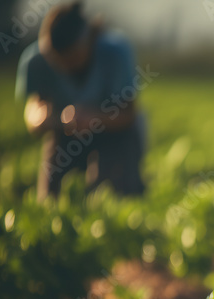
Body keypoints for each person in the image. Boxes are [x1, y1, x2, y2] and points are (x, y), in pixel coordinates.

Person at [16, 1, 147, 200]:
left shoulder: (115, 52)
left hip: (114, 133)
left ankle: (123, 190)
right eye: (58, 62)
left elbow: (129, 114)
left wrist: (94, 117)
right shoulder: (36, 60)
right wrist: (47, 119)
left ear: (89, 40)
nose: (67, 67)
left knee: (112, 194)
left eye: (74, 58)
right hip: (65, 136)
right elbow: (34, 112)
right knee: (51, 196)